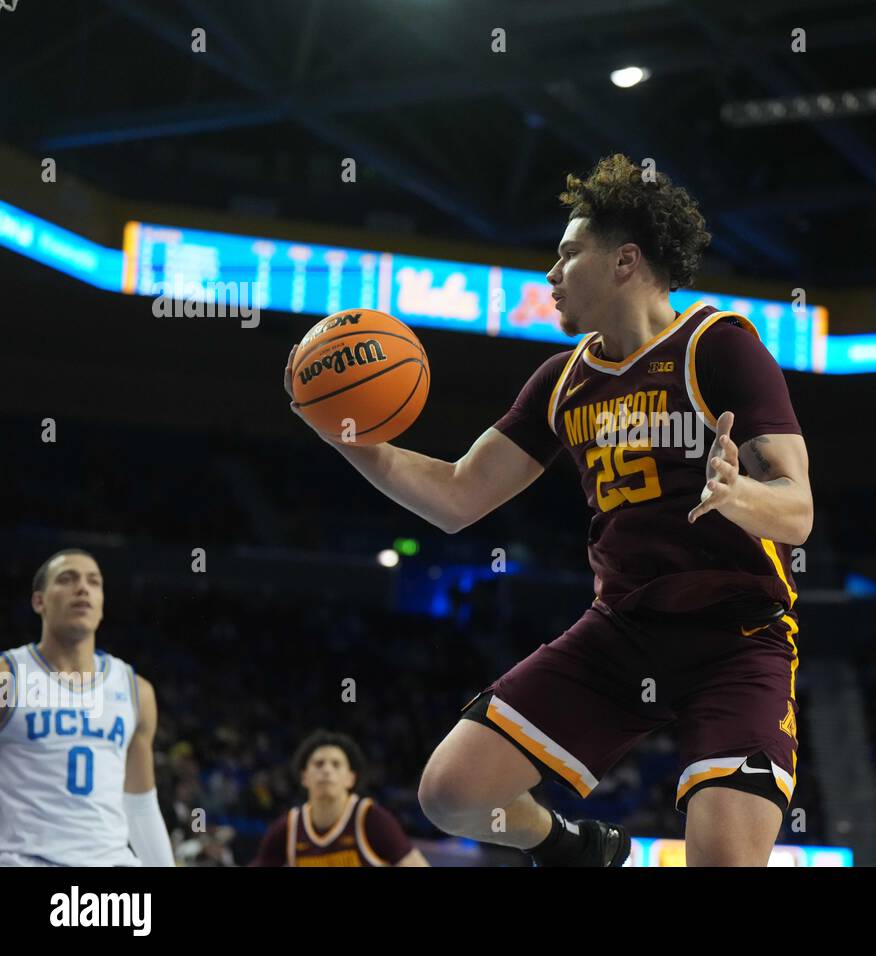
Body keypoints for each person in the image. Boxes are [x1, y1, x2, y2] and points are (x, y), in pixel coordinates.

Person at [284, 153, 813, 866]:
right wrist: (342, 433)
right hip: (622, 634)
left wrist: (739, 494)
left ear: (625, 262)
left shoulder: (719, 348)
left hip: (736, 638)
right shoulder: (560, 381)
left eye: (567, 255)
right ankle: (573, 849)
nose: (551, 274)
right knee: (452, 793)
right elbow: (455, 497)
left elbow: (798, 509)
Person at [0, 549, 173, 867]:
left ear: (102, 603)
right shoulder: (8, 676)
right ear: (39, 601)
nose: (82, 588)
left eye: (94, 582)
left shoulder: (136, 690)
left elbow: (140, 806)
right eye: (67, 579)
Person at [252, 730, 427, 866]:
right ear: (304, 777)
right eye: (319, 764)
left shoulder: (371, 819)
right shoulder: (289, 827)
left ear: (350, 778)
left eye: (336, 764)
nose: (327, 770)